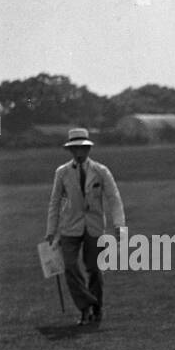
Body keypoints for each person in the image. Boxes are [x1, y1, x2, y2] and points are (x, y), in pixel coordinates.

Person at [44, 127, 125, 326]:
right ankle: (85, 307)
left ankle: (95, 309)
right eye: (75, 149)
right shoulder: (62, 173)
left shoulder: (101, 171)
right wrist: (51, 231)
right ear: (70, 151)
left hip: (95, 226)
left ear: (88, 150)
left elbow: (114, 199)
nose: (79, 153)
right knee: (70, 266)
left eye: (83, 149)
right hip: (70, 227)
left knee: (95, 270)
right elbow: (55, 202)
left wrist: (119, 225)